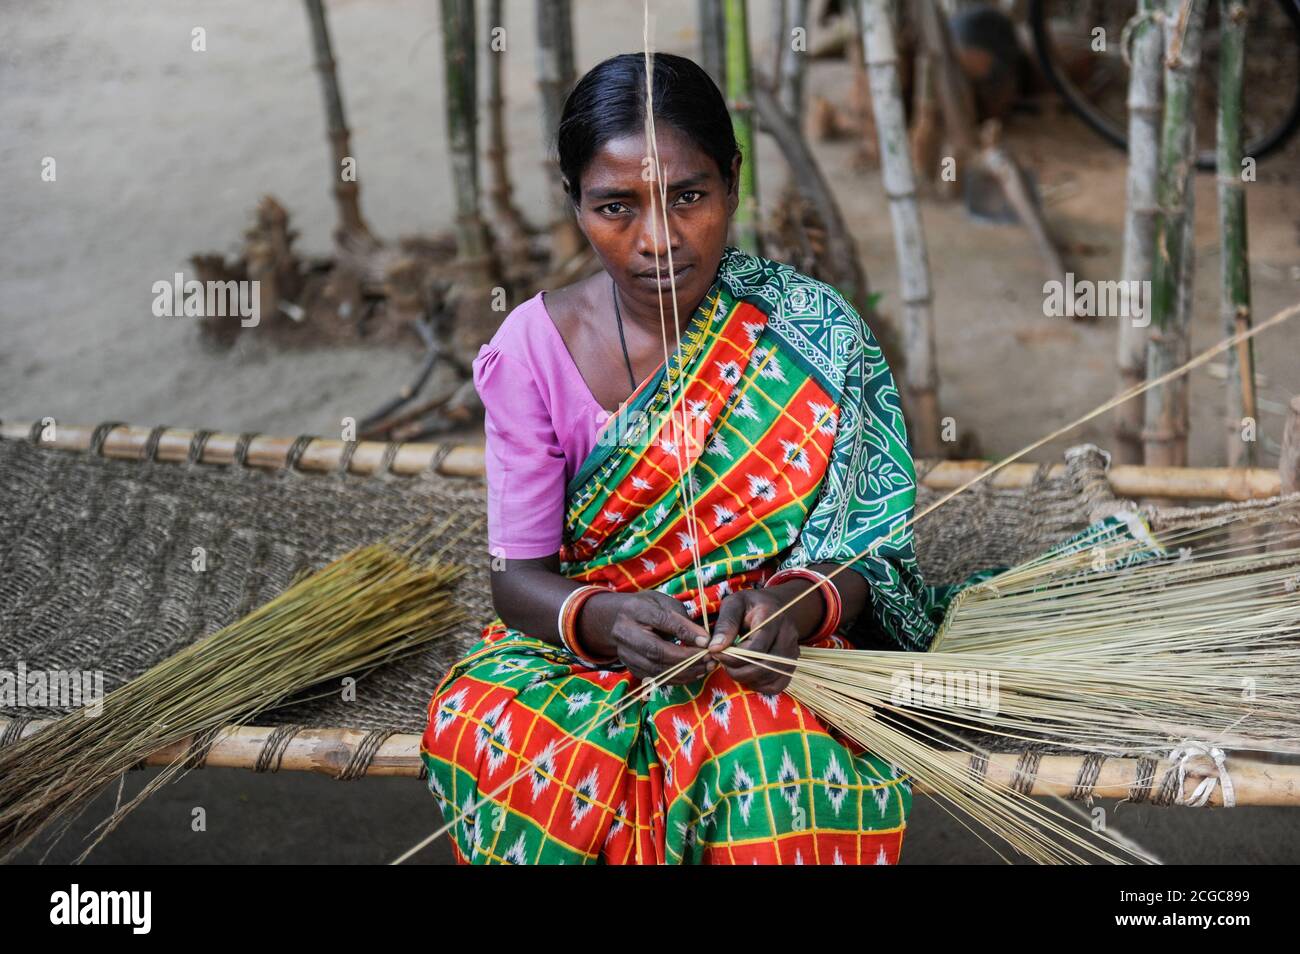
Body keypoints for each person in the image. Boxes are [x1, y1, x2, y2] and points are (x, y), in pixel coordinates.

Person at [419, 51, 959, 865]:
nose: (657, 241)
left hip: (767, 659)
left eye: (690, 197)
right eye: (615, 208)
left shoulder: (813, 333)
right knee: (504, 740)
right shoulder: (531, 352)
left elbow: (873, 558)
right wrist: (603, 619)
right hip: (584, 657)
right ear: (574, 205)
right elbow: (516, 577)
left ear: (734, 182)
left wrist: (791, 605)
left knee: (778, 766)